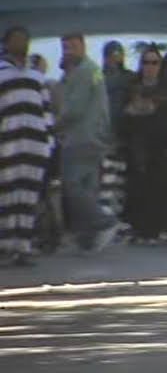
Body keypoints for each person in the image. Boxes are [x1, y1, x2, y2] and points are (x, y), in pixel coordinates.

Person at [54, 33, 119, 251]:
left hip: (80, 138)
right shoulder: (92, 70)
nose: (68, 52)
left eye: (72, 46)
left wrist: (55, 124)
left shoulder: (82, 72)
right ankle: (88, 237)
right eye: (64, 48)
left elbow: (74, 109)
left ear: (83, 46)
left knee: (72, 186)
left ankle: (103, 220)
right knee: (87, 188)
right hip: (94, 138)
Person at [0, 39, 55, 267]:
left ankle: (22, 245)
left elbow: (46, 111)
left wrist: (48, 143)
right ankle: (11, 244)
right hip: (8, 143)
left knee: (28, 195)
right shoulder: (3, 75)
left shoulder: (36, 77)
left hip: (34, 144)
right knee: (10, 195)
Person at [101, 40, 132, 136]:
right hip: (103, 126)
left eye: (116, 54)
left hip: (125, 125)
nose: (113, 58)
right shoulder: (98, 78)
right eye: (109, 55)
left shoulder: (130, 77)